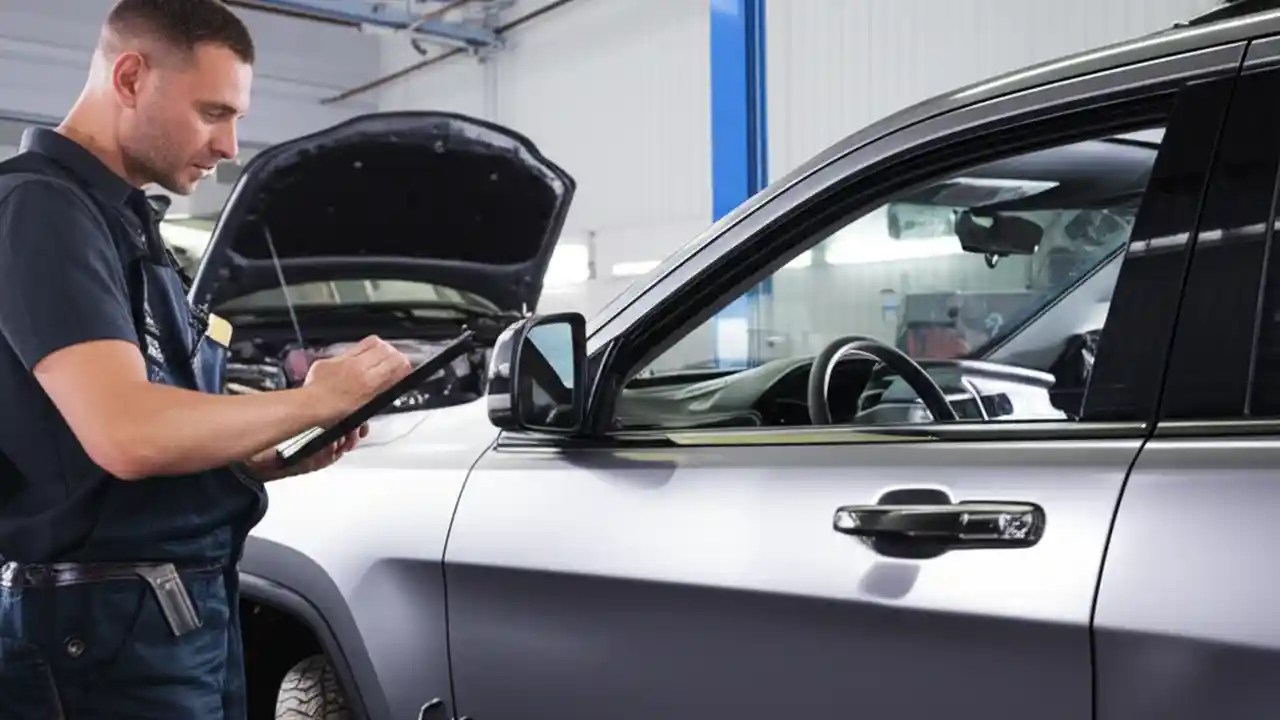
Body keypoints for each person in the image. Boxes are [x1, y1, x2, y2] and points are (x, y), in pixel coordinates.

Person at [0, 1, 413, 717]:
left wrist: (257, 456)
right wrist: (316, 398)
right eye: (213, 112)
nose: (229, 144)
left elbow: (136, 434)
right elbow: (128, 433)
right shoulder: (40, 208)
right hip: (95, 632)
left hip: (161, 611)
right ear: (130, 77)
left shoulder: (122, 222)